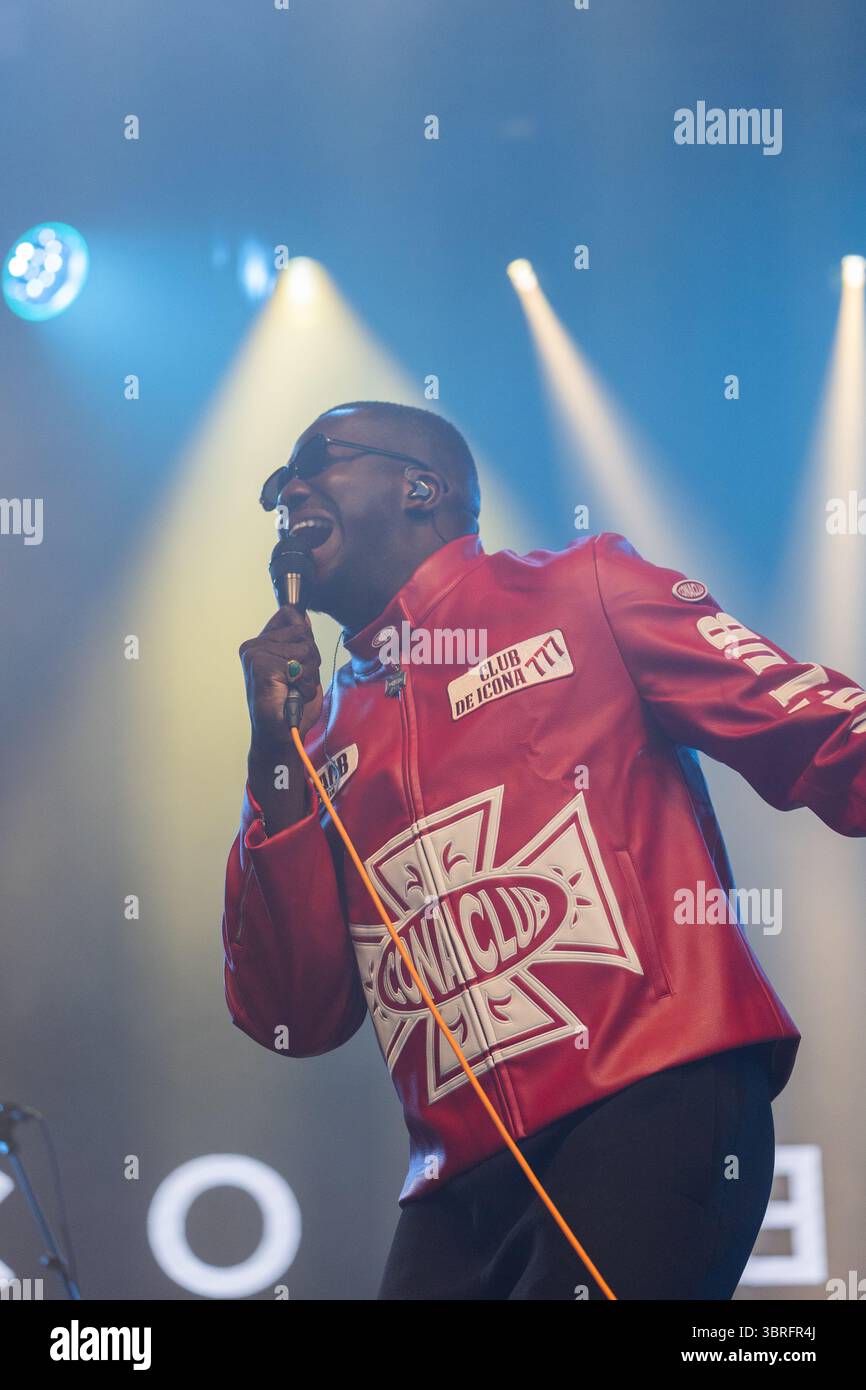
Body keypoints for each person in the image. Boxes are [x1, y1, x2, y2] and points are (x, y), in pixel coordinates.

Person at [222, 400, 866, 1300]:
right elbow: (292, 1011)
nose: (284, 492)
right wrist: (272, 760)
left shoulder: (581, 589)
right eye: (276, 484)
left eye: (316, 461)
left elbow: (814, 729)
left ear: (423, 488)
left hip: (648, 1099)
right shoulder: (316, 734)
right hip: (455, 1183)